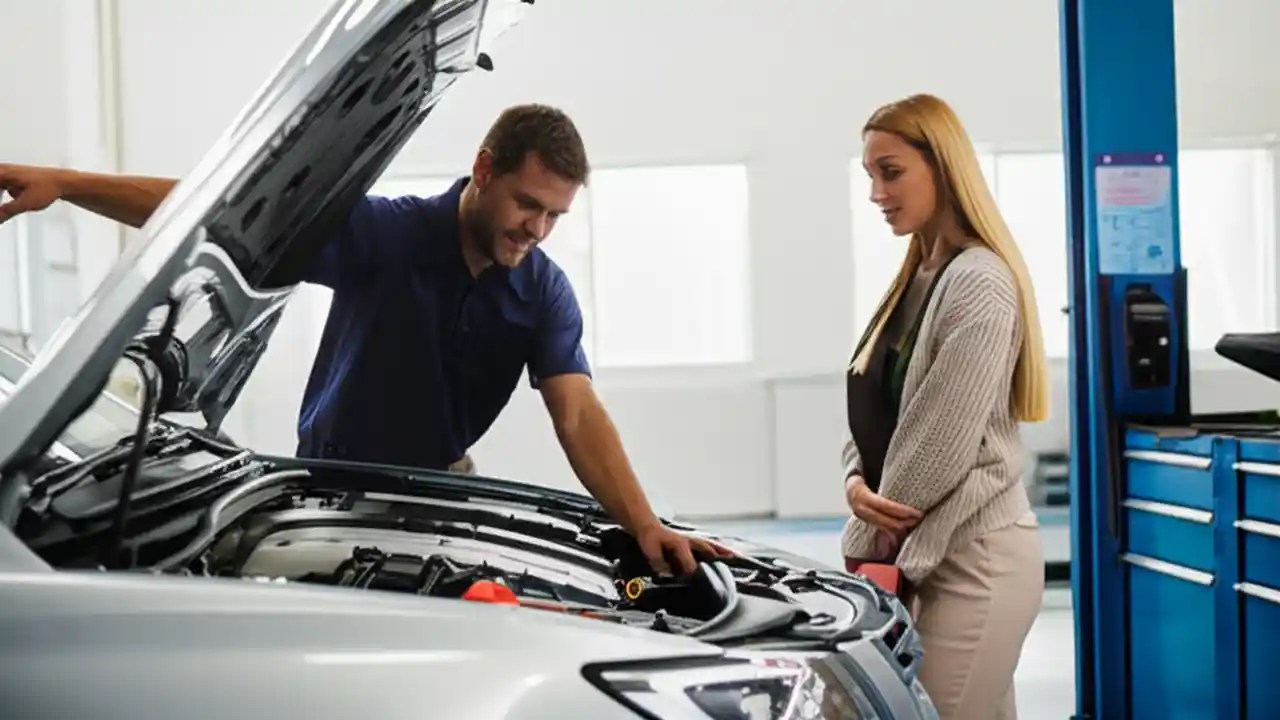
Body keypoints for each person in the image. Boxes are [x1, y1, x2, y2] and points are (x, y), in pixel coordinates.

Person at [0, 102, 731, 578]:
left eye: (554, 218)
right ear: (483, 171)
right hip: (328, 487)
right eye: (526, 205)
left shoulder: (542, 290)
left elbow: (578, 414)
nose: (535, 231)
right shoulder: (386, 234)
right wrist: (67, 183)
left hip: (445, 482)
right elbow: (224, 217)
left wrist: (644, 524)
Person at [840, 93, 1049, 719]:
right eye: (871, 176)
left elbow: (935, 451)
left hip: (974, 562)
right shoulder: (916, 277)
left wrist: (866, 524)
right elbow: (871, 399)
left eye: (892, 172)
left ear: (944, 166)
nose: (877, 192)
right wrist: (854, 478)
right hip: (928, 553)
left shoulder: (979, 280)